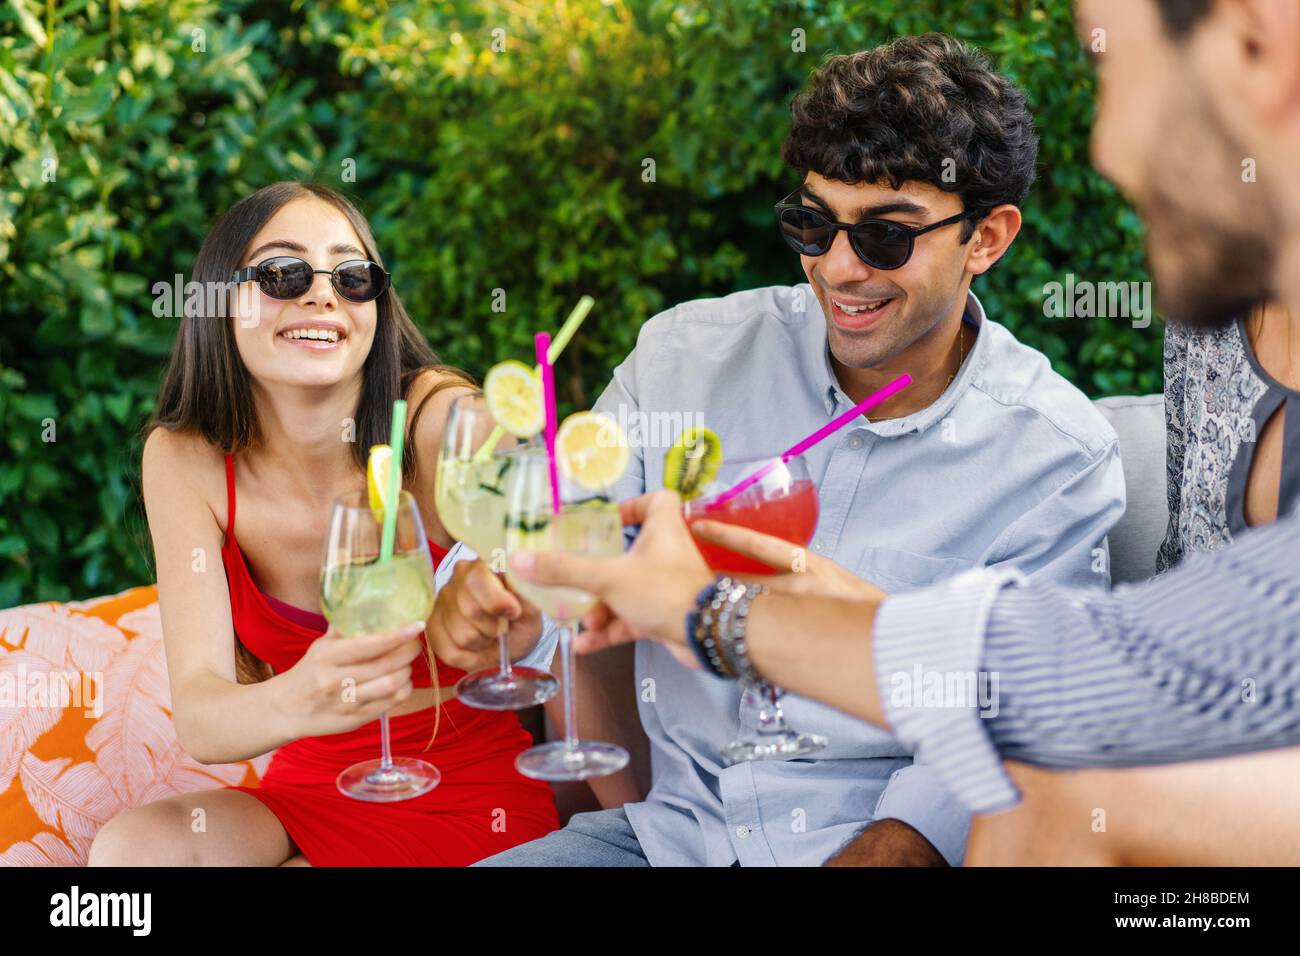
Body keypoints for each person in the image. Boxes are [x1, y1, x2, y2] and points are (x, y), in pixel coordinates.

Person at [503, 0, 1300, 864]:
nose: (839, 266)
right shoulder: (689, 358)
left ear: (986, 238)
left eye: (885, 236)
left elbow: (1058, 702)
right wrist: (511, 599)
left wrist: (707, 614)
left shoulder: (1055, 453)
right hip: (668, 837)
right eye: (812, 223)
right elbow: (550, 550)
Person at [88, 182, 559, 867]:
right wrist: (312, 693)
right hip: (312, 782)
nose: (322, 294)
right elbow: (202, 715)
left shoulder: (426, 414)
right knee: (132, 850)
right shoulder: (186, 456)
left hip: (465, 785)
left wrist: (514, 445)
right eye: (283, 273)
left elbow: (484, 440)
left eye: (353, 276)